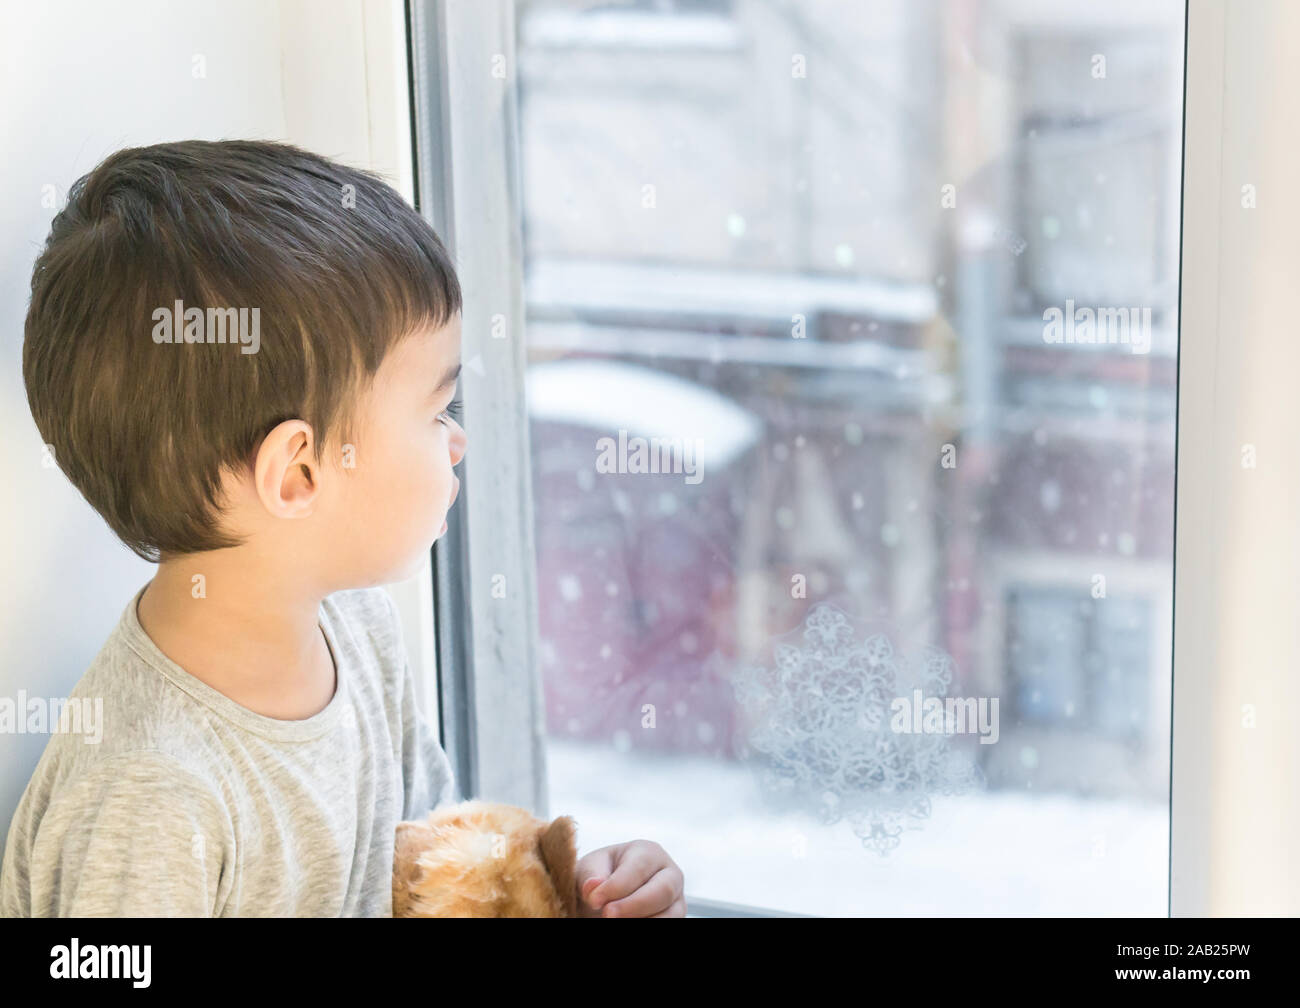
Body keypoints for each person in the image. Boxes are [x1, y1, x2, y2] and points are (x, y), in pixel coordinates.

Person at [1, 139, 684, 917]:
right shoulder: (151, 794)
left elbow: (429, 882)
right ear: (298, 474)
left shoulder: (353, 630)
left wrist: (576, 894)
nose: (457, 441)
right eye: (436, 412)